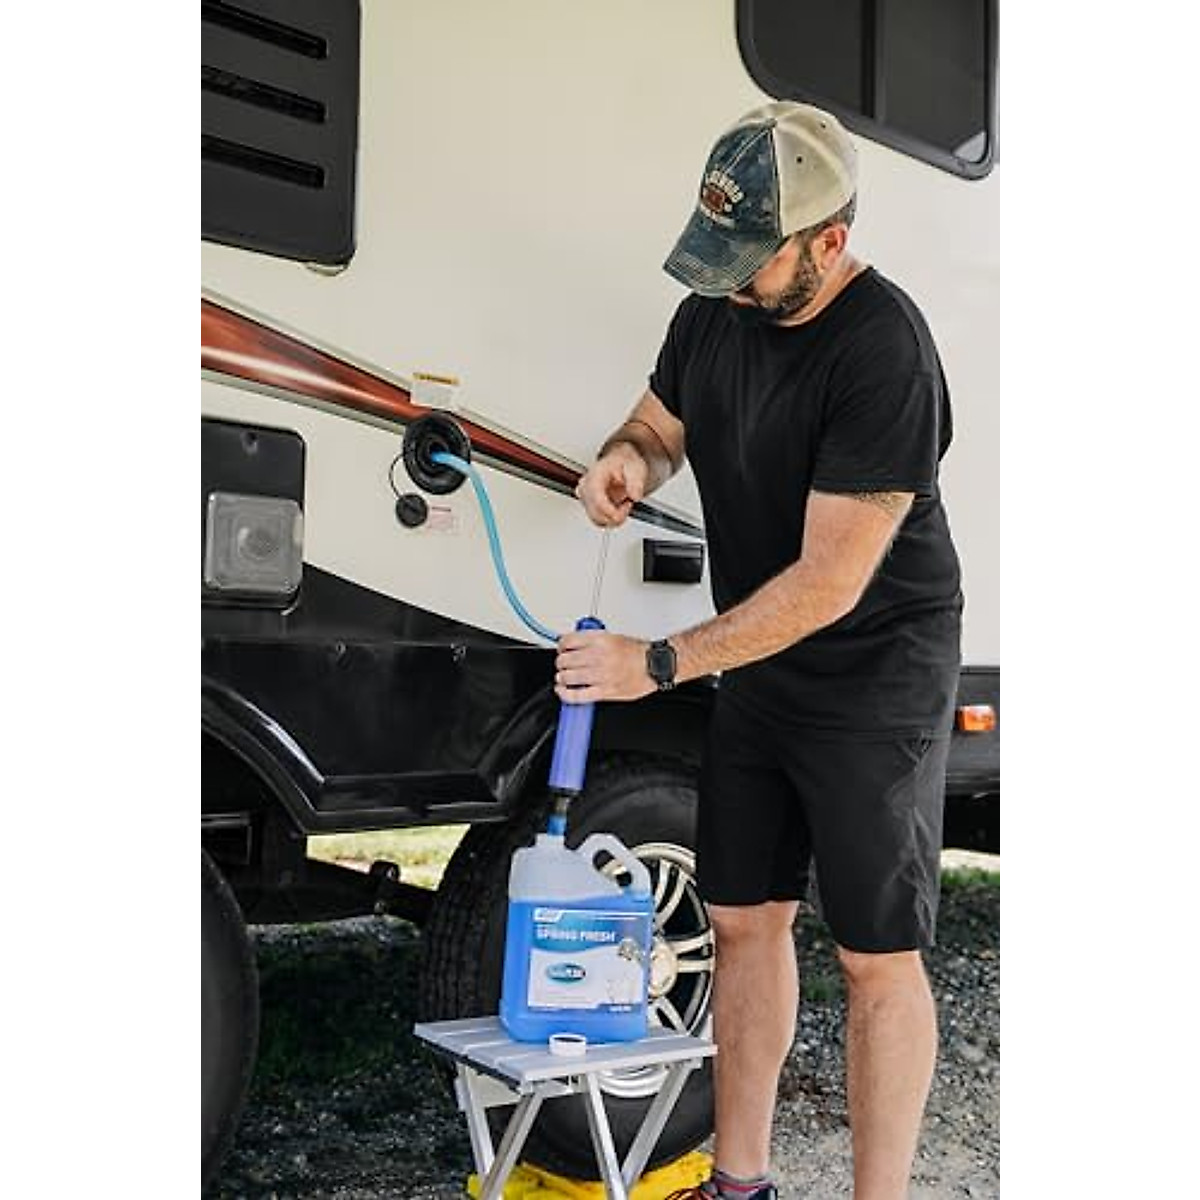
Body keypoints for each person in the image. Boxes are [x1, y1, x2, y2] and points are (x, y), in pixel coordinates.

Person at [555, 101, 963, 1200]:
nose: (729, 283)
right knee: (740, 916)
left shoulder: (885, 350)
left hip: (876, 667)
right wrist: (626, 460)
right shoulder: (712, 312)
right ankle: (739, 1184)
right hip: (760, 653)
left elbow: (831, 581)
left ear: (830, 241)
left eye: (753, 261)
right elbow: (657, 426)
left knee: (873, 952)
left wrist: (659, 662)